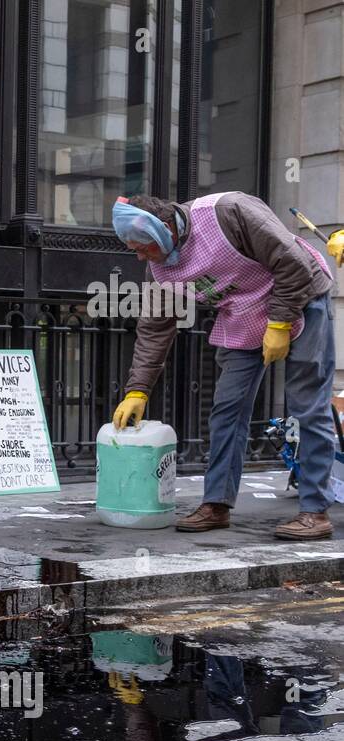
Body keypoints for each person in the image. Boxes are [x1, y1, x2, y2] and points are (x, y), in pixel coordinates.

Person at [111, 193, 337, 541]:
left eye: (142, 246)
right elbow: (155, 328)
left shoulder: (229, 213)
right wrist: (137, 391)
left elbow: (293, 262)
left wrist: (279, 324)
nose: (140, 255)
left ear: (165, 229)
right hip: (245, 317)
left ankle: (314, 512)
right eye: (134, 249)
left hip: (302, 299)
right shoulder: (161, 269)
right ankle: (216, 504)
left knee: (307, 406)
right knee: (226, 410)